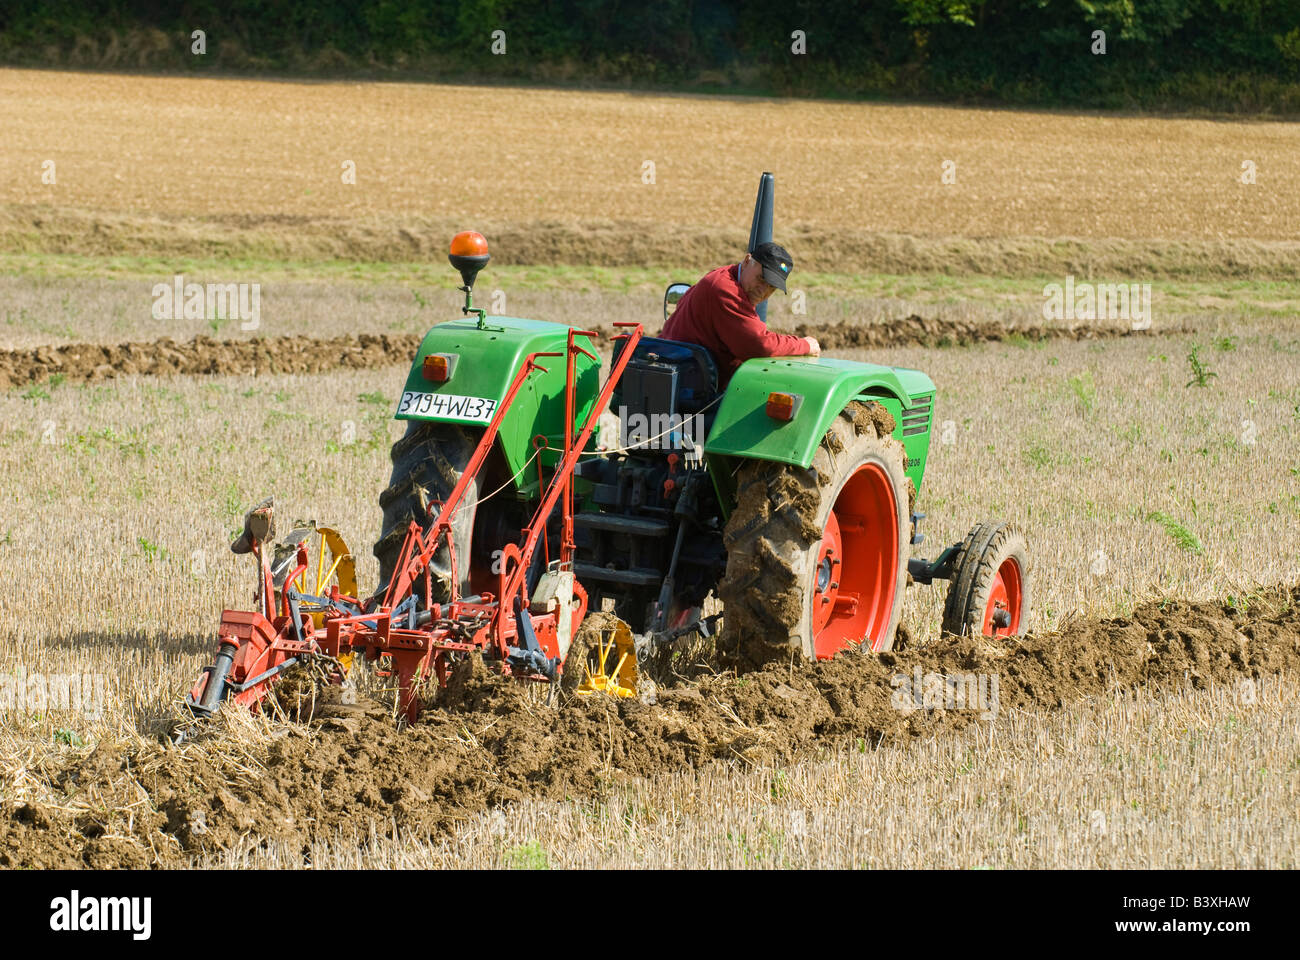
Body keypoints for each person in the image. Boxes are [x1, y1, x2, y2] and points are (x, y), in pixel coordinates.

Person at [661, 241, 820, 383]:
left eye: (772, 287)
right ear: (746, 262)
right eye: (761, 279)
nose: (763, 291)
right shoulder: (726, 290)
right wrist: (805, 345)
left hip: (683, 373)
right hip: (695, 387)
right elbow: (759, 345)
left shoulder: (721, 276)